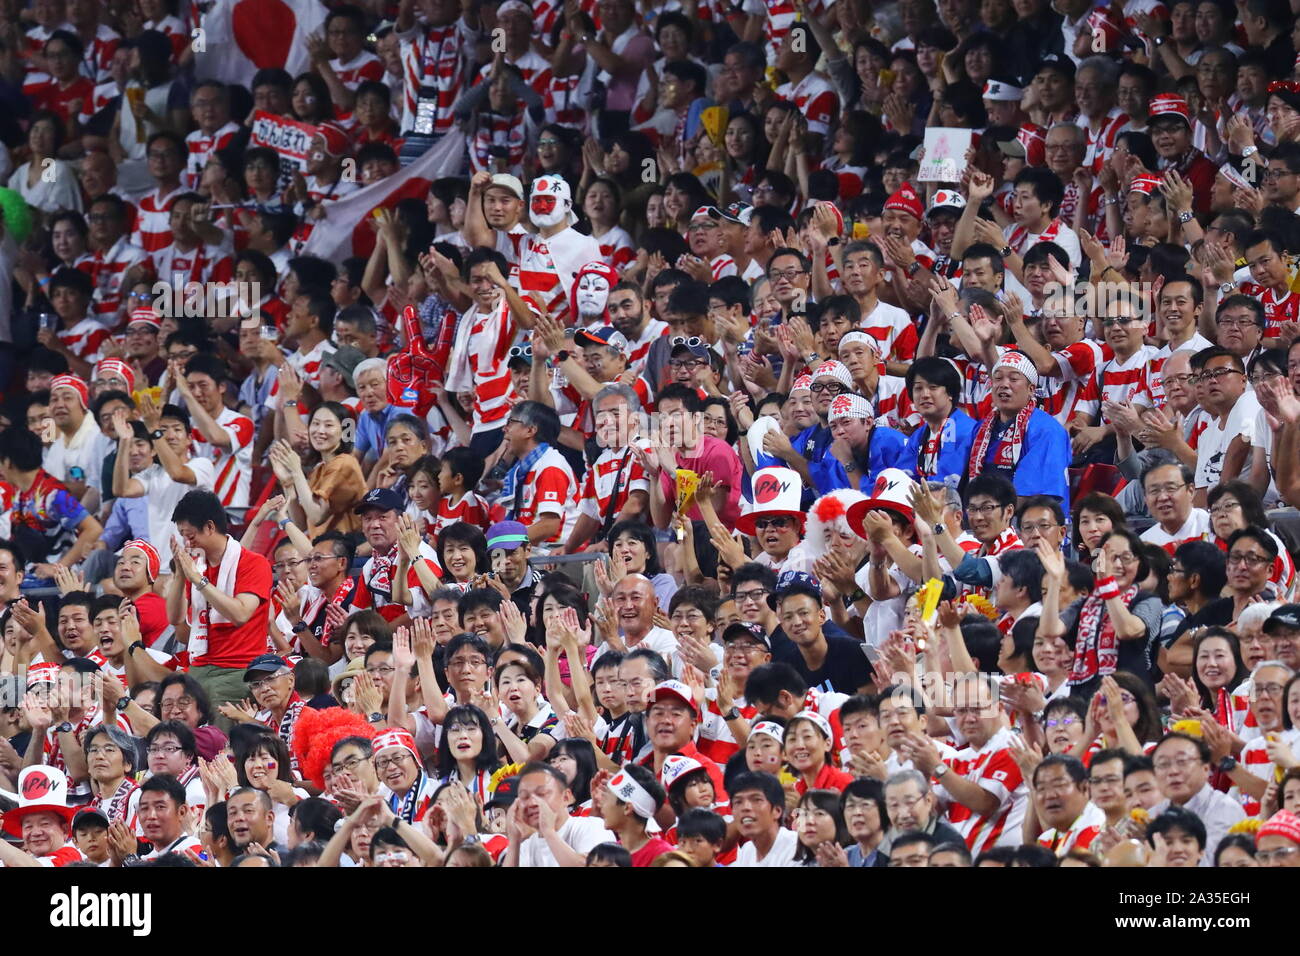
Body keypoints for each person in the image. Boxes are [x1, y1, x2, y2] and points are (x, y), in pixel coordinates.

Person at [166, 489, 273, 720]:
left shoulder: (254, 564)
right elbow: (174, 620)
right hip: (198, 666)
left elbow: (241, 614)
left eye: (191, 535)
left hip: (237, 670)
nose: (187, 542)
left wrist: (198, 580)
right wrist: (179, 575)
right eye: (183, 536)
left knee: (219, 749)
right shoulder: (196, 566)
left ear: (210, 527)